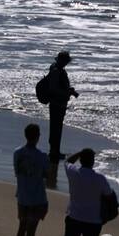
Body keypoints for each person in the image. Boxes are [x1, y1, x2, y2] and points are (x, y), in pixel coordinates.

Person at [61, 148, 113, 236]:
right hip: (93, 219)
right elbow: (108, 194)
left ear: (81, 160)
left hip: (74, 215)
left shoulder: (74, 172)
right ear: (93, 162)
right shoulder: (100, 178)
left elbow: (67, 161)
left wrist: (79, 152)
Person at [14, 123, 49, 236]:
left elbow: (17, 172)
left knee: (22, 228)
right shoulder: (42, 156)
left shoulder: (17, 153)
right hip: (37, 197)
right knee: (31, 231)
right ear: (37, 137)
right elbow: (46, 175)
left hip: (22, 195)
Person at [46, 49, 79, 185]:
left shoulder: (56, 69)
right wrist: (67, 92)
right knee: (56, 127)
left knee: (56, 127)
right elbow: (54, 89)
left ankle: (55, 150)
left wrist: (68, 91)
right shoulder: (56, 71)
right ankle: (54, 152)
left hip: (57, 103)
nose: (66, 63)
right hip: (57, 103)